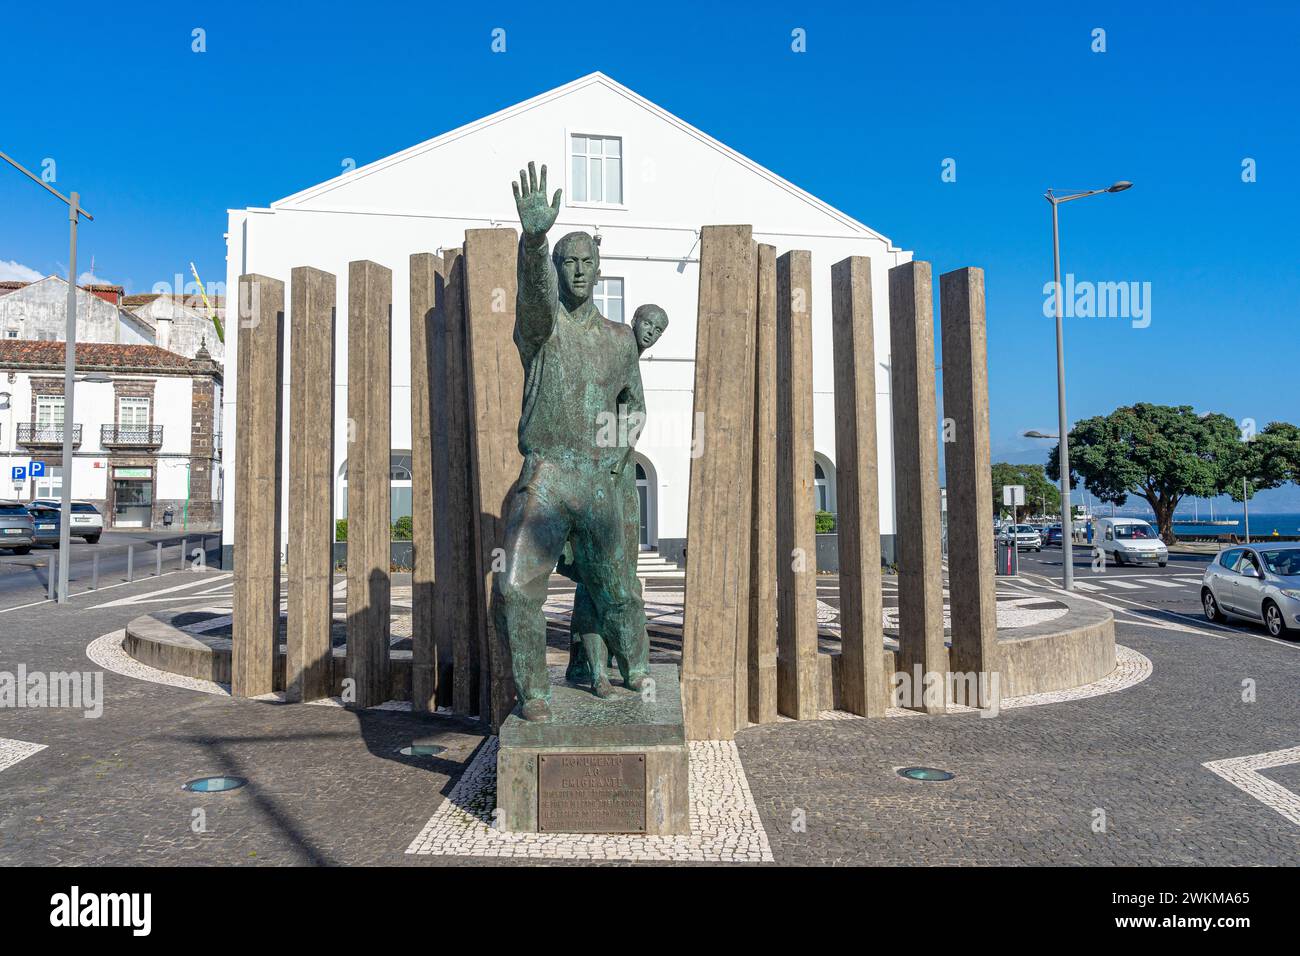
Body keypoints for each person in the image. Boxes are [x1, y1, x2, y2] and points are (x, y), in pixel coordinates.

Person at [491, 162, 649, 722]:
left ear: (599, 269)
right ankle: (534, 692)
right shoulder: (542, 329)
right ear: (557, 270)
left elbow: (635, 407)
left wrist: (612, 457)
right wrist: (534, 240)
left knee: (619, 594)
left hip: (597, 483)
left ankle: (637, 670)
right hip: (548, 473)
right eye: (568, 263)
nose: (578, 271)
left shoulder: (620, 341)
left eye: (586, 262)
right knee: (514, 587)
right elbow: (533, 300)